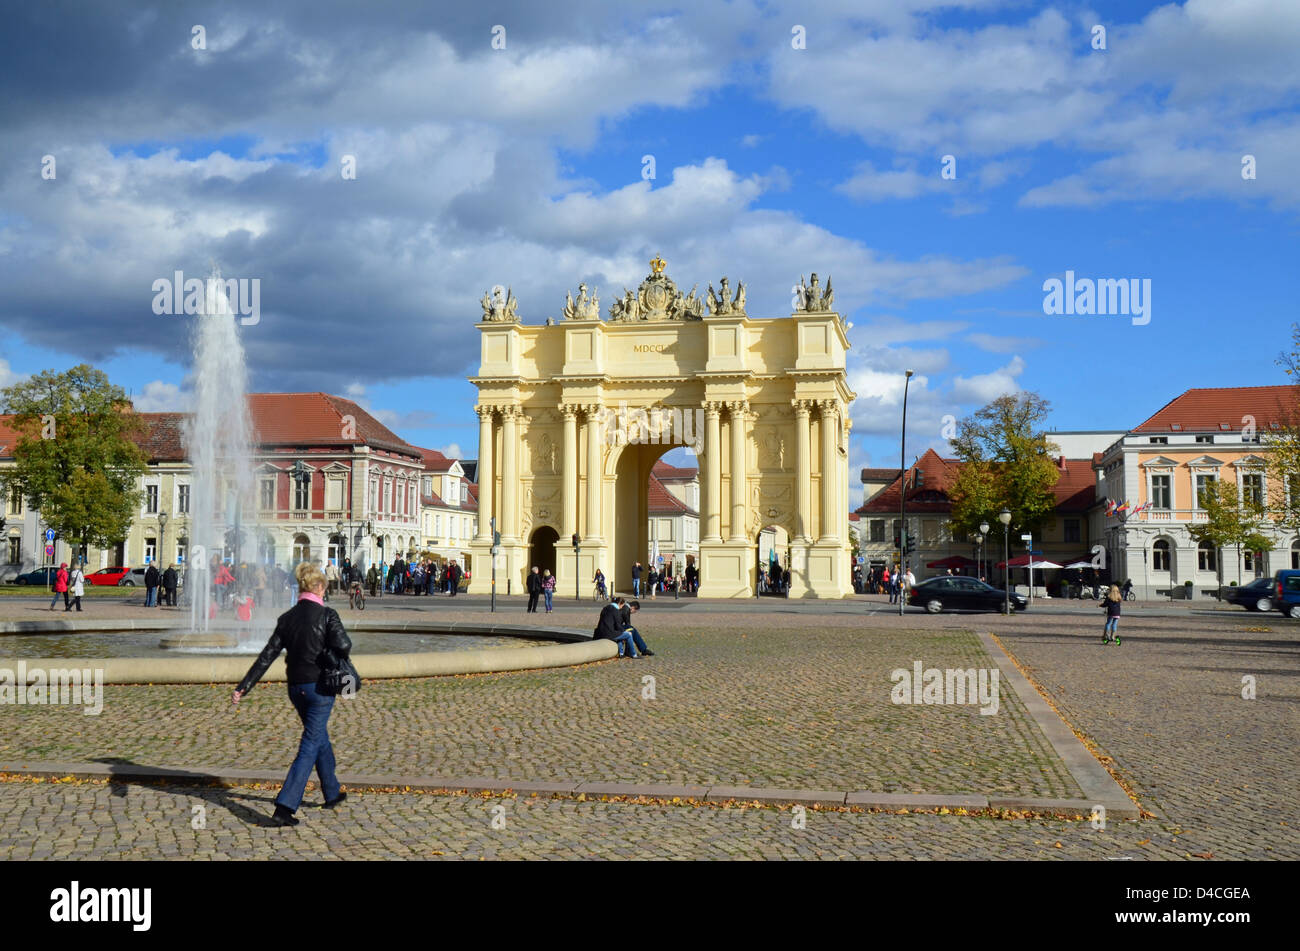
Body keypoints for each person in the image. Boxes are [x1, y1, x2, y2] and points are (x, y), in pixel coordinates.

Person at [232, 561, 353, 827]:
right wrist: (328, 649)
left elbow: (267, 655)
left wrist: (244, 685)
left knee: (318, 735)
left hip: (296, 688)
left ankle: (332, 793)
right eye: (325, 587)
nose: (326, 591)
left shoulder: (287, 618)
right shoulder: (327, 615)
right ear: (319, 587)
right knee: (310, 743)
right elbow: (344, 645)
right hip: (320, 687)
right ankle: (285, 806)